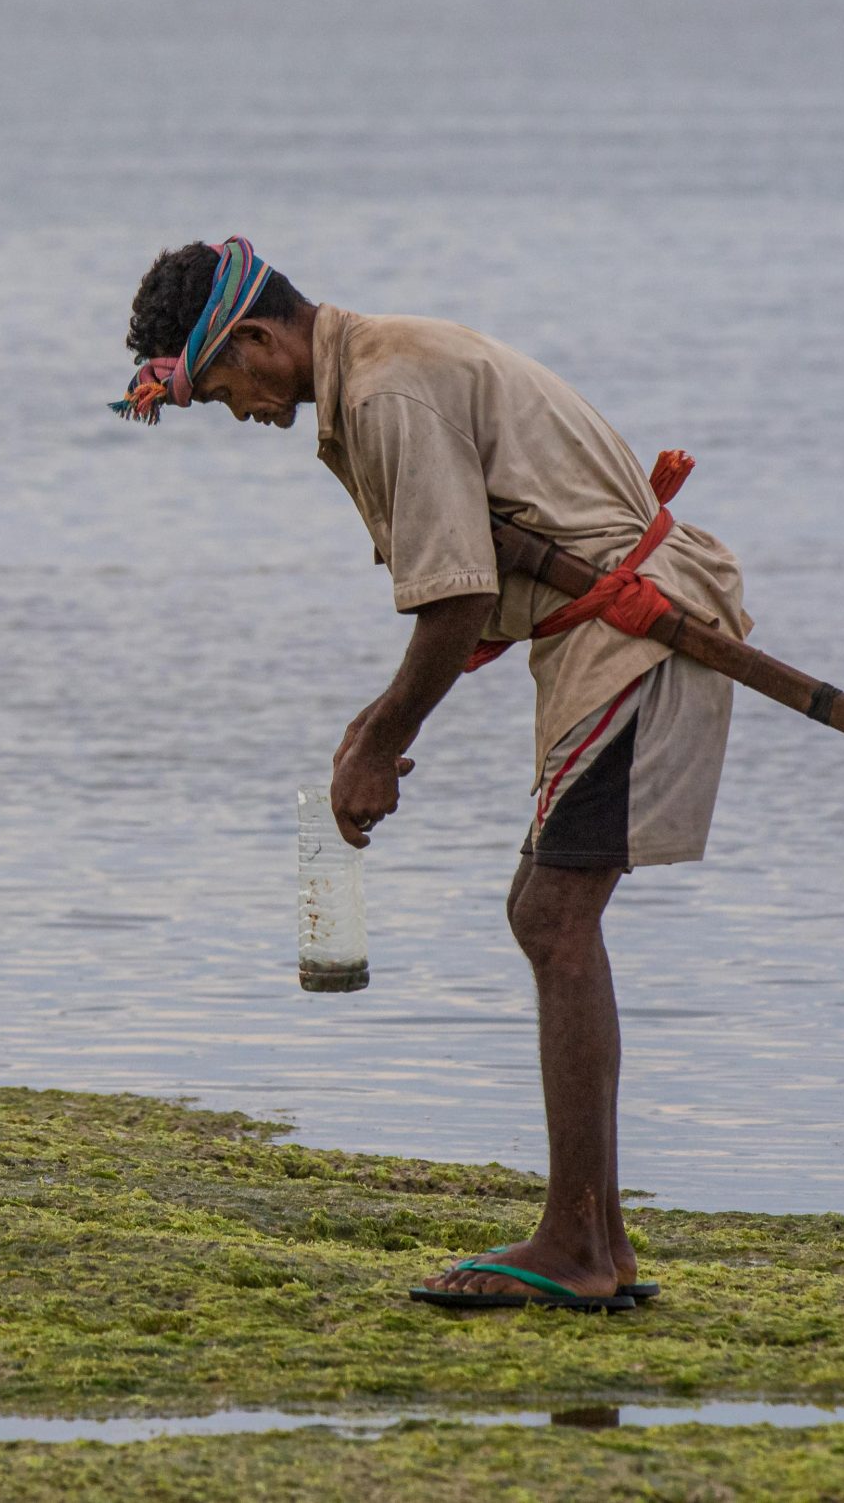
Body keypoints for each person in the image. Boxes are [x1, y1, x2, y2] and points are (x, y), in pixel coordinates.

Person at [114, 239, 751, 1313]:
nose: (241, 415)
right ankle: (594, 1237)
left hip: (640, 630)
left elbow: (453, 598)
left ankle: (580, 1246)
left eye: (225, 390)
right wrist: (377, 721)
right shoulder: (376, 369)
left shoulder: (383, 391)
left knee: (552, 917)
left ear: (259, 340)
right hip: (599, 633)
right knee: (545, 912)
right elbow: (471, 582)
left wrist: (375, 744)